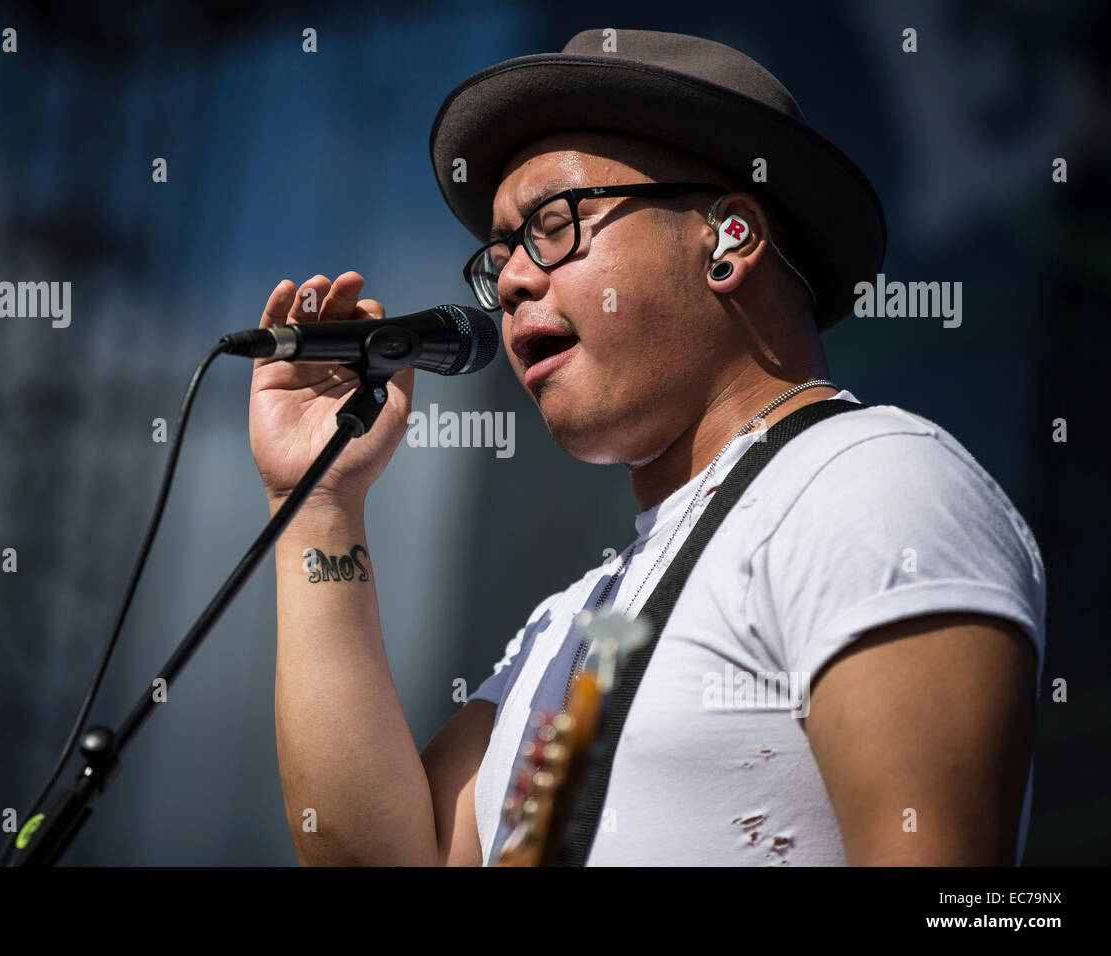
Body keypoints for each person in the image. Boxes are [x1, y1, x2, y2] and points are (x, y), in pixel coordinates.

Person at [248, 30, 1045, 865]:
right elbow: (377, 859)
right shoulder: (572, 622)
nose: (514, 279)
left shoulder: (870, 484)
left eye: (553, 224)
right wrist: (320, 507)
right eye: (499, 254)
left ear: (730, 238)